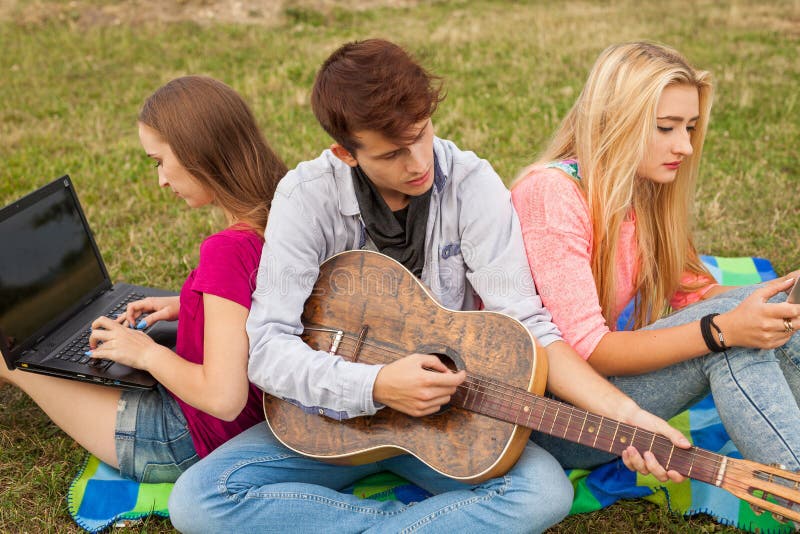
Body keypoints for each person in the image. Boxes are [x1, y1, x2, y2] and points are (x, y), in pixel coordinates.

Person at [168, 39, 691, 534]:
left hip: (450, 426)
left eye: (421, 134)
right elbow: (266, 350)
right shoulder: (304, 197)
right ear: (346, 152)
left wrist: (629, 417)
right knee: (198, 500)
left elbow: (530, 326)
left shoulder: (471, 182)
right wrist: (374, 386)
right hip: (328, 423)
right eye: (392, 153)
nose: (418, 163)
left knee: (543, 493)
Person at [511, 41, 800, 471]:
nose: (684, 146)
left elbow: (693, 292)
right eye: (666, 127)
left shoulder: (643, 190)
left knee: (765, 317)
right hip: (551, 420)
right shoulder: (551, 194)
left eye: (689, 127)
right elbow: (590, 350)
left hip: (606, 399)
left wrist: (782, 291)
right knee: (732, 341)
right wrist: (720, 330)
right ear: (615, 122)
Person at [0, 75, 288, 483]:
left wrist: (146, 353)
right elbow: (256, 297)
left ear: (197, 153)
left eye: (159, 161)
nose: (161, 180)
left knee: (9, 357)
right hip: (256, 421)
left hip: (183, 439)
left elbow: (223, 399)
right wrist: (190, 302)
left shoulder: (227, 249)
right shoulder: (283, 208)